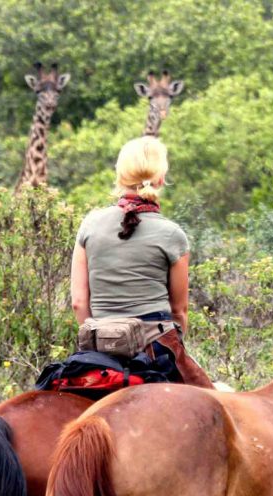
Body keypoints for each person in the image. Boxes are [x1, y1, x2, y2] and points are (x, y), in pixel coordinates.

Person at [69, 136, 214, 389]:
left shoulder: (90, 224)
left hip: (99, 349)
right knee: (215, 406)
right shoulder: (172, 234)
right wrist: (176, 352)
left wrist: (101, 339)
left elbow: (78, 303)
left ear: (120, 176)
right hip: (155, 349)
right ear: (161, 178)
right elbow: (179, 311)